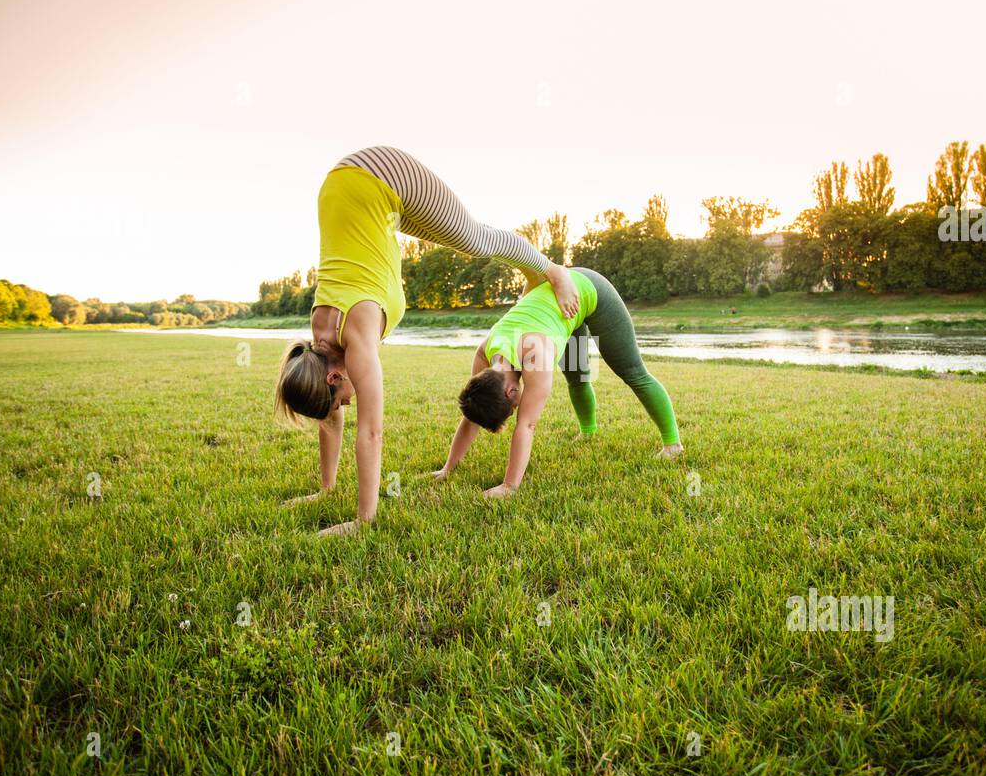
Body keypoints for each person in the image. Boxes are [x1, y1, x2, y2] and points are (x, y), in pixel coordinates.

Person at [274, 146, 580, 535]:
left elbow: (370, 432)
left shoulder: (356, 335)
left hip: (383, 175)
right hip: (343, 187)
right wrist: (326, 488)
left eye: (342, 401)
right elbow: (330, 416)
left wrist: (362, 521)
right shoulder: (320, 337)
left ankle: (553, 269)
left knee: (472, 238)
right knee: (459, 237)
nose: (346, 406)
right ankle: (328, 487)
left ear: (334, 377)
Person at [434, 266, 682, 497]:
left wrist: (509, 486)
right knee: (577, 379)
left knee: (633, 372)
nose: (516, 410)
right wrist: (447, 468)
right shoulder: (484, 353)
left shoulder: (534, 355)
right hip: (564, 314)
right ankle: (588, 433)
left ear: (510, 391)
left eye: (512, 409)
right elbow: (471, 416)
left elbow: (527, 426)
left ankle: (673, 445)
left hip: (589, 292)